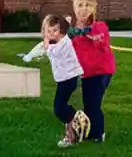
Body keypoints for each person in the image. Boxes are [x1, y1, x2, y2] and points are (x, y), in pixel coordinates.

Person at [32, 15, 91, 148]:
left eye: (55, 31)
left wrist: (46, 44)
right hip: (65, 78)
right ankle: (71, 135)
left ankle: (77, 118)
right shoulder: (58, 42)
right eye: (49, 31)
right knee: (61, 106)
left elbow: (54, 52)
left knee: (59, 108)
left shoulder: (64, 43)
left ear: (61, 31)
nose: (51, 34)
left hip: (68, 79)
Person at [69, 0, 115, 143]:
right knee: (88, 102)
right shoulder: (73, 30)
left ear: (94, 9)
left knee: (94, 102)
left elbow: (101, 43)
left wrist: (89, 34)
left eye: (87, 5)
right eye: (80, 5)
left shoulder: (99, 27)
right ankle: (89, 131)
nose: (83, 9)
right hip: (86, 72)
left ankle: (98, 133)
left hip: (101, 71)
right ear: (74, 9)